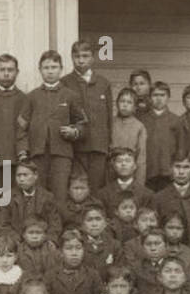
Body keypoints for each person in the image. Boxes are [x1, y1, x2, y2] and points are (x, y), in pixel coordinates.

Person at [17, 50, 88, 201]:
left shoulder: (70, 96)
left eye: (54, 67)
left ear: (61, 69)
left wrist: (74, 131)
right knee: (38, 195)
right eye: (46, 67)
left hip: (61, 155)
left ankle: (59, 217)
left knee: (59, 195)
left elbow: (83, 124)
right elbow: (21, 128)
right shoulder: (32, 97)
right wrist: (23, 152)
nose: (50, 71)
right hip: (37, 155)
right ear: (40, 70)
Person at [62, 40, 112, 190]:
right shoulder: (65, 83)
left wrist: (108, 144)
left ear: (92, 58)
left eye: (85, 56)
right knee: (77, 188)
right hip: (75, 148)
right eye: (77, 56)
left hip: (98, 147)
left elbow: (109, 117)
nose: (81, 60)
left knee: (96, 188)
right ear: (72, 58)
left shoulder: (103, 83)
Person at [153, 153, 190, 267]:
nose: (181, 172)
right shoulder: (159, 198)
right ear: (171, 169)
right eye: (177, 167)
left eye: (186, 167)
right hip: (168, 261)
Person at [0, 159, 62, 244]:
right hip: (16, 242)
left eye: (25, 175)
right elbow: (3, 225)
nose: (21, 179)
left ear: (35, 175)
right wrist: (16, 240)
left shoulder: (47, 197)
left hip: (42, 242)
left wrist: (47, 240)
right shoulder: (8, 197)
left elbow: (55, 224)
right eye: (18, 175)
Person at [142, 81, 181, 192]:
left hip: (168, 171)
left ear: (168, 97)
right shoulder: (143, 120)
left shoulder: (176, 120)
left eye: (162, 95)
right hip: (148, 171)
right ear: (150, 98)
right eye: (155, 95)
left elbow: (180, 147)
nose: (159, 99)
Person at [96, 147, 152, 217]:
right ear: (114, 166)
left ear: (135, 166)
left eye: (128, 161)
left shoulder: (146, 194)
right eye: (119, 161)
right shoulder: (103, 194)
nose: (123, 164)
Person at [110, 89, 148, 186]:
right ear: (117, 103)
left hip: (130, 171)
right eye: (122, 101)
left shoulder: (139, 127)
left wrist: (139, 184)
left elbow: (141, 158)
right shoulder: (110, 123)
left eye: (129, 102)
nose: (125, 105)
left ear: (135, 107)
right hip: (110, 170)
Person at [16, 216, 61, 282]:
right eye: (31, 233)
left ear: (45, 235)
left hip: (48, 281)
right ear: (24, 235)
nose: (34, 236)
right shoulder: (19, 250)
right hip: (26, 282)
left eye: (38, 233)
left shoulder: (50, 248)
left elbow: (55, 269)